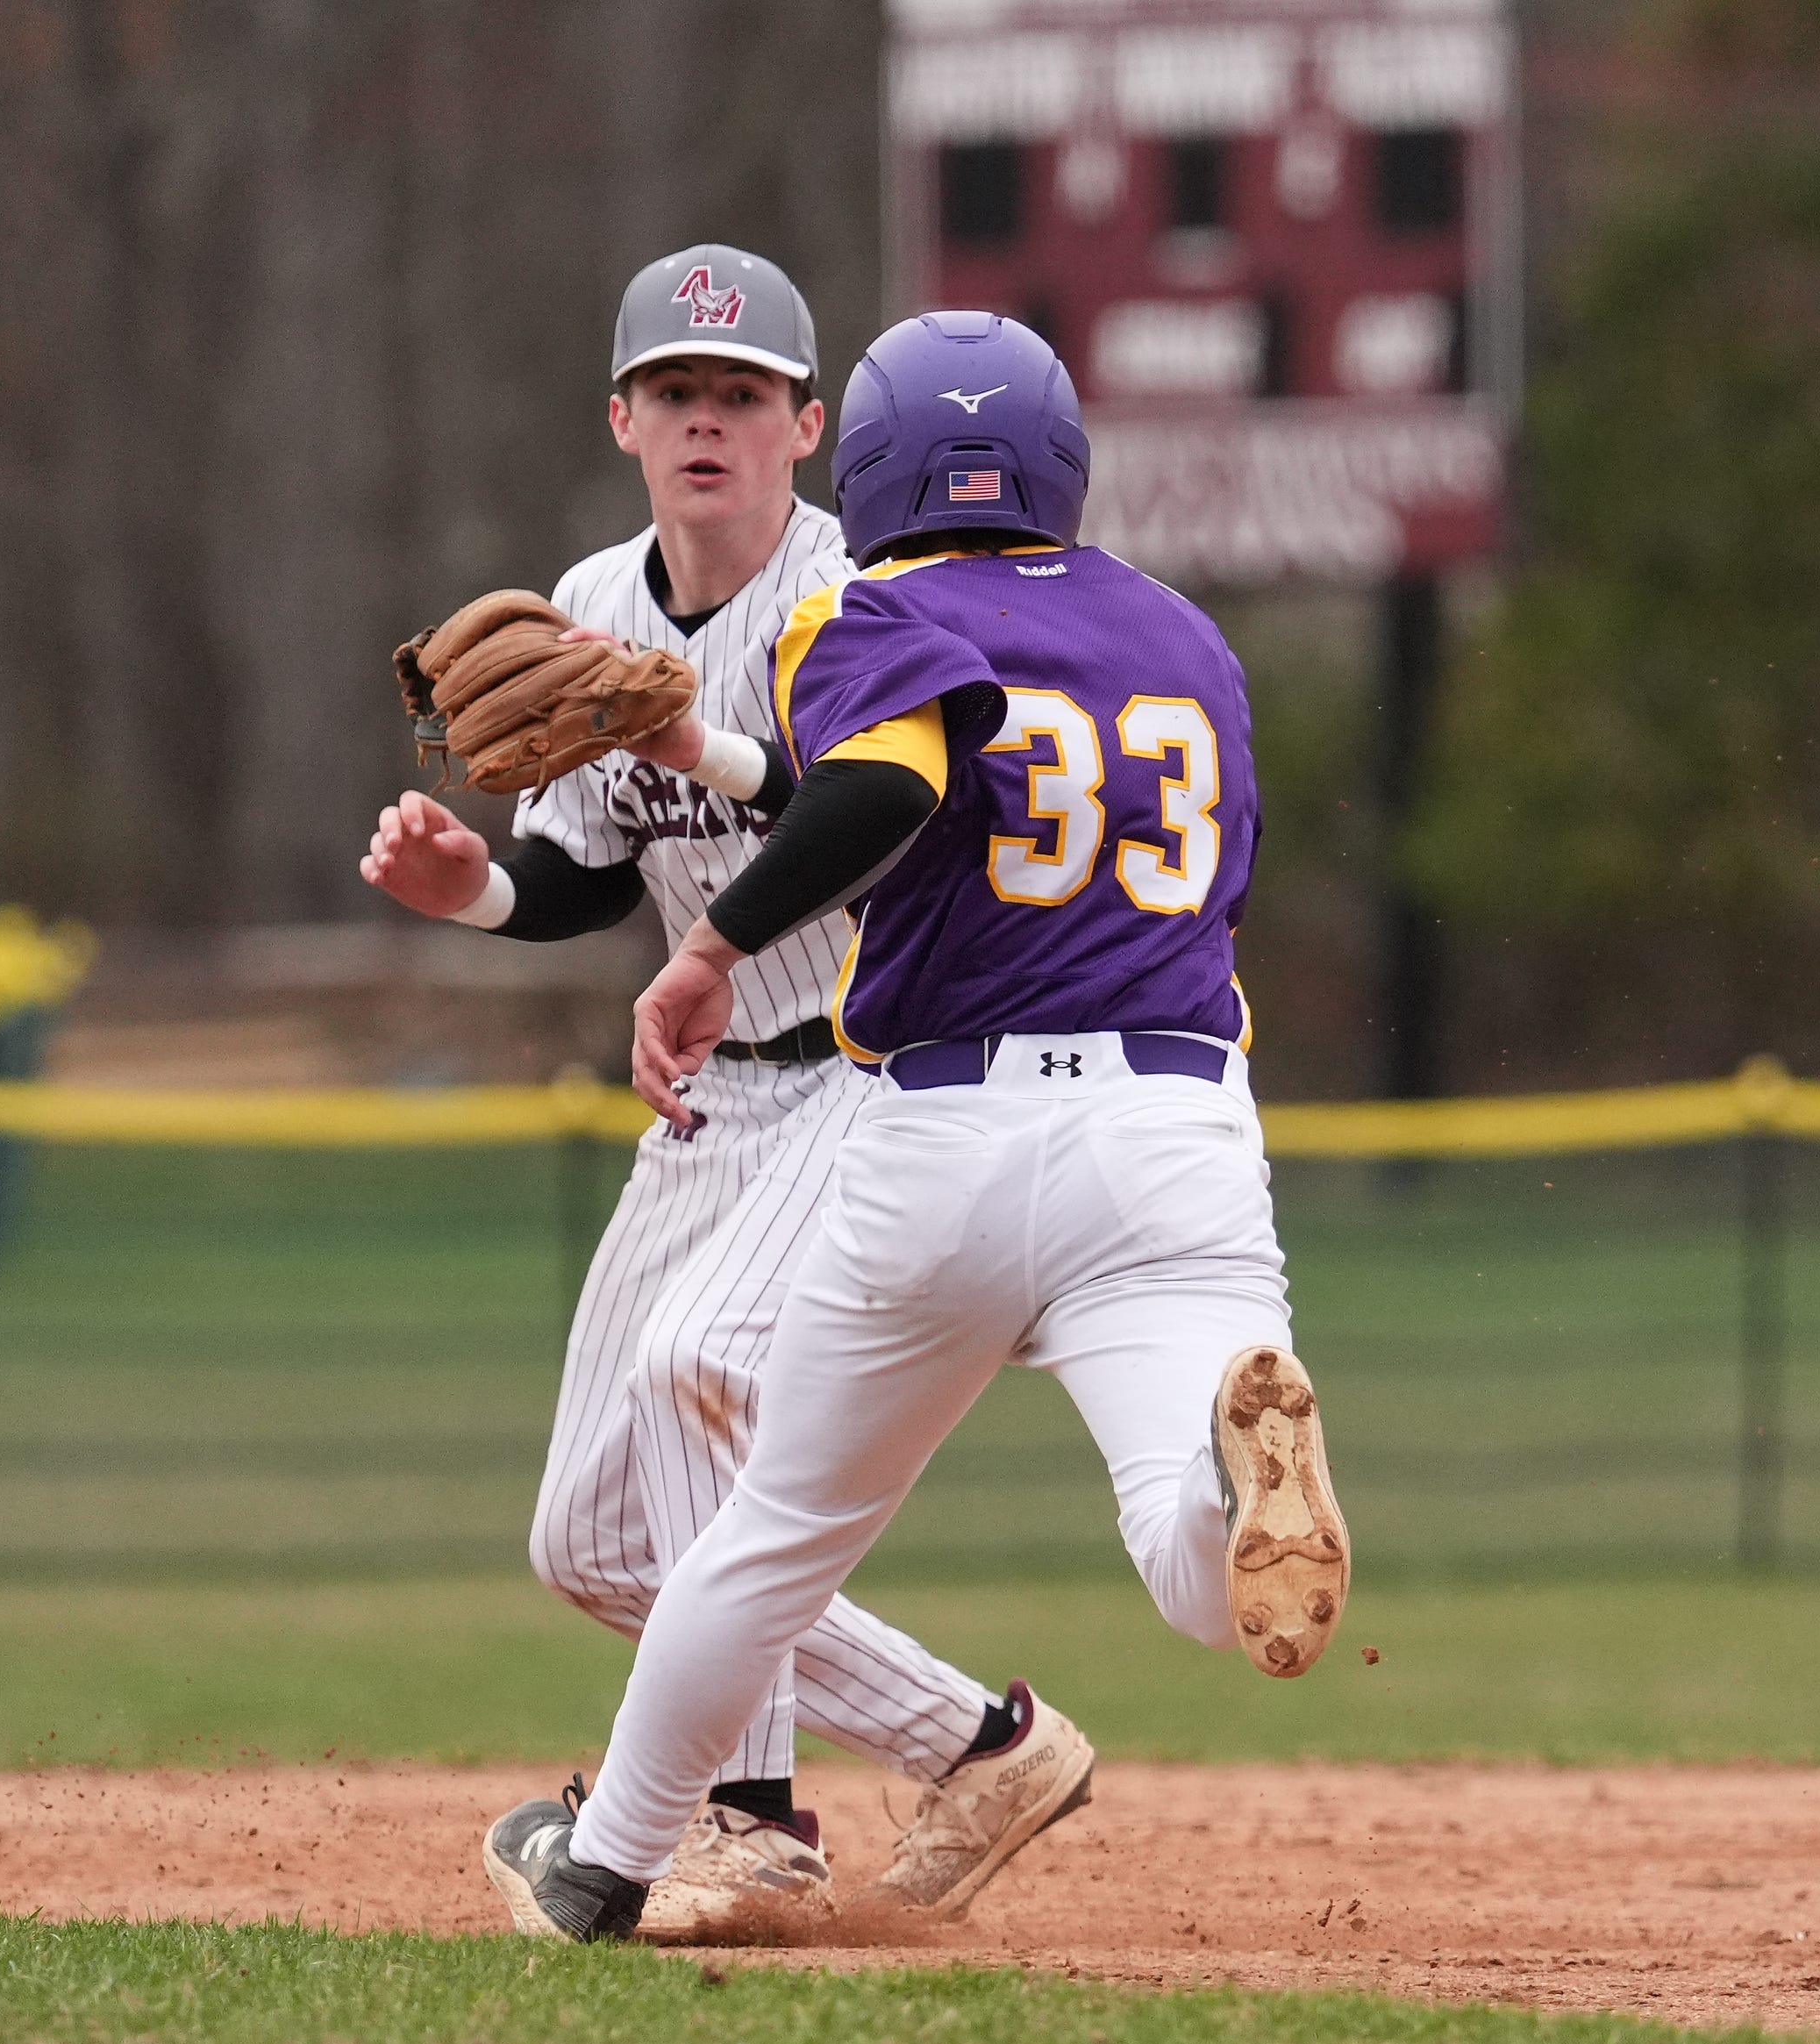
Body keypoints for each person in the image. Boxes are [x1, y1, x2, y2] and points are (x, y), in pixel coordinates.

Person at [479, 310, 1353, 1943]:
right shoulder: (1184, 635)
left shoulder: (872, 609)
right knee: (1184, 1550)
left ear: (861, 461)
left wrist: (710, 944)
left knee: (764, 1545)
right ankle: (1235, 1492)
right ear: (1064, 463)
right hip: (1173, 1124)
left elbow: (886, 787)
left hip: (946, 1131)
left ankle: (607, 1870)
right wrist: (716, 754)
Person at [360, 253, 1092, 1941]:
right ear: (622, 420)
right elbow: (578, 878)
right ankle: (977, 1744)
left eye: (745, 393)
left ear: (807, 429)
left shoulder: (855, 590)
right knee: (589, 1543)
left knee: (710, 1370)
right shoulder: (595, 605)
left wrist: (708, 759)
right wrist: (471, 887)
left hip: (868, 1065)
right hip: (705, 1104)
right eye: (678, 389)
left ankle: (752, 1822)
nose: (710, 416)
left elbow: (874, 805)